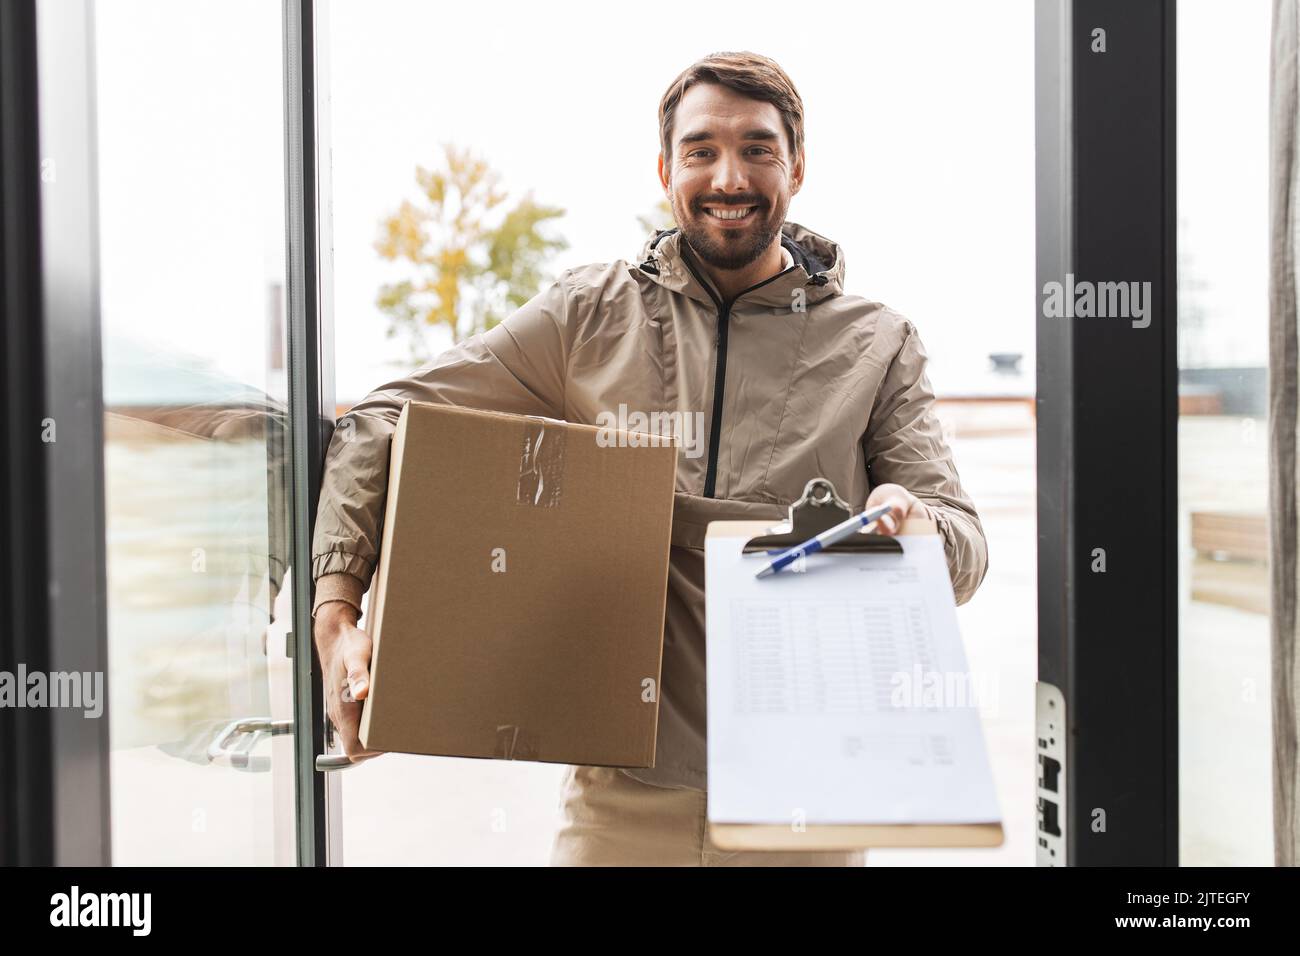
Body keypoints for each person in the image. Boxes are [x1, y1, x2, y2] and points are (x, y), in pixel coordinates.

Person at [310, 51, 989, 867]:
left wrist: (913, 535)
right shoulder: (586, 316)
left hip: (808, 795)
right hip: (619, 796)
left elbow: (964, 550)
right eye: (702, 150)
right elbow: (388, 418)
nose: (729, 176)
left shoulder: (879, 342)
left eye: (758, 149)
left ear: (797, 167)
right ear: (666, 169)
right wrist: (336, 607)